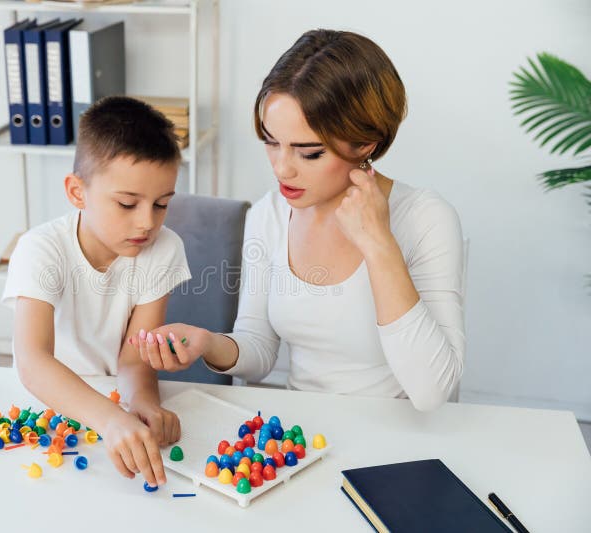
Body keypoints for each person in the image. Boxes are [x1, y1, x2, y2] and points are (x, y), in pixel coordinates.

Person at [132, 30, 465, 412]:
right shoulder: (270, 215)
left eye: (309, 153)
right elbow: (258, 349)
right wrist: (208, 343)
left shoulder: (425, 218)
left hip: (401, 441)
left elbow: (432, 392)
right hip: (305, 438)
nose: (282, 168)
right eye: (272, 142)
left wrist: (378, 244)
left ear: (365, 144)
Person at [3, 96, 191, 486]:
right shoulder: (41, 249)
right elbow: (33, 361)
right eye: (127, 203)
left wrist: (142, 403)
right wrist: (110, 419)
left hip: (115, 405)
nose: (147, 223)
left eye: (161, 204)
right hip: (46, 406)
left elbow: (135, 356)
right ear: (77, 192)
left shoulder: (164, 248)